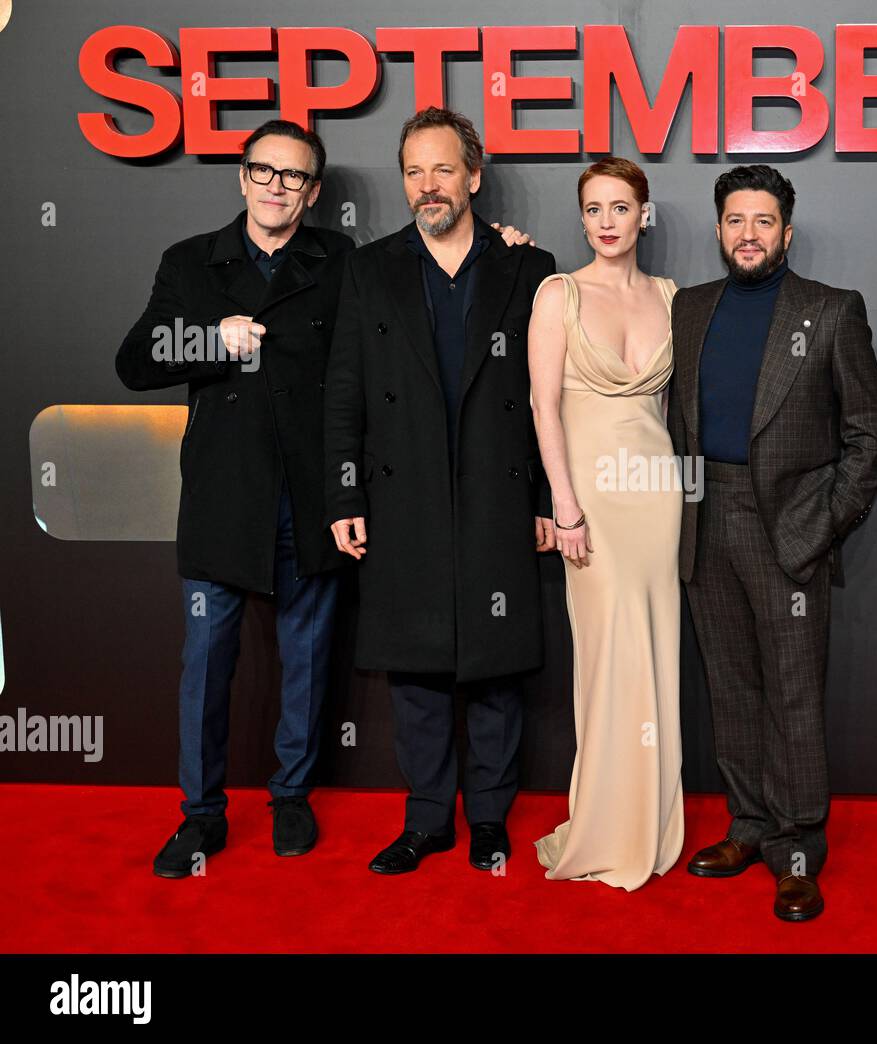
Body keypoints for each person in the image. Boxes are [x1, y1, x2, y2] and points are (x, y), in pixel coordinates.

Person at [116, 119, 355, 876]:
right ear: (242, 177)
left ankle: (291, 796)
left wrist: (505, 247)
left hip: (313, 496)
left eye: (294, 176)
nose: (276, 186)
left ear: (313, 192)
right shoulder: (191, 262)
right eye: (264, 170)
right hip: (223, 498)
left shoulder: (342, 259)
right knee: (207, 662)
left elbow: (403, 311)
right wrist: (211, 339)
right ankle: (201, 816)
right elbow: (135, 360)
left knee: (308, 659)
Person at [323, 107, 557, 875]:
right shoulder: (369, 267)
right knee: (416, 666)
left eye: (443, 169)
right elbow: (345, 390)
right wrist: (343, 495)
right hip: (402, 497)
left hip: (497, 491)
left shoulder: (528, 267)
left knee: (494, 662)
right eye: (415, 171)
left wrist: (548, 502)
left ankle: (489, 817)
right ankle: (427, 819)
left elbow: (556, 398)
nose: (429, 185)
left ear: (474, 177)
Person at [666, 165, 877, 921]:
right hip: (705, 521)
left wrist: (819, 528)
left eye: (764, 221)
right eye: (736, 220)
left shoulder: (830, 311)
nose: (749, 234)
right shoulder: (690, 309)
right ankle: (750, 827)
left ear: (787, 232)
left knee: (792, 697)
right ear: (720, 228)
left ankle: (796, 852)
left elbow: (867, 435)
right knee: (731, 691)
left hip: (787, 529)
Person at [528, 158, 685, 890]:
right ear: (582, 217)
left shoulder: (672, 297)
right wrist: (563, 503)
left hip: (657, 496)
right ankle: (603, 821)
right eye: (593, 209)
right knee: (605, 658)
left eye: (621, 207)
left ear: (643, 215)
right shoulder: (557, 293)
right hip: (588, 499)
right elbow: (540, 406)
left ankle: (650, 819)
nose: (607, 221)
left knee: (655, 650)